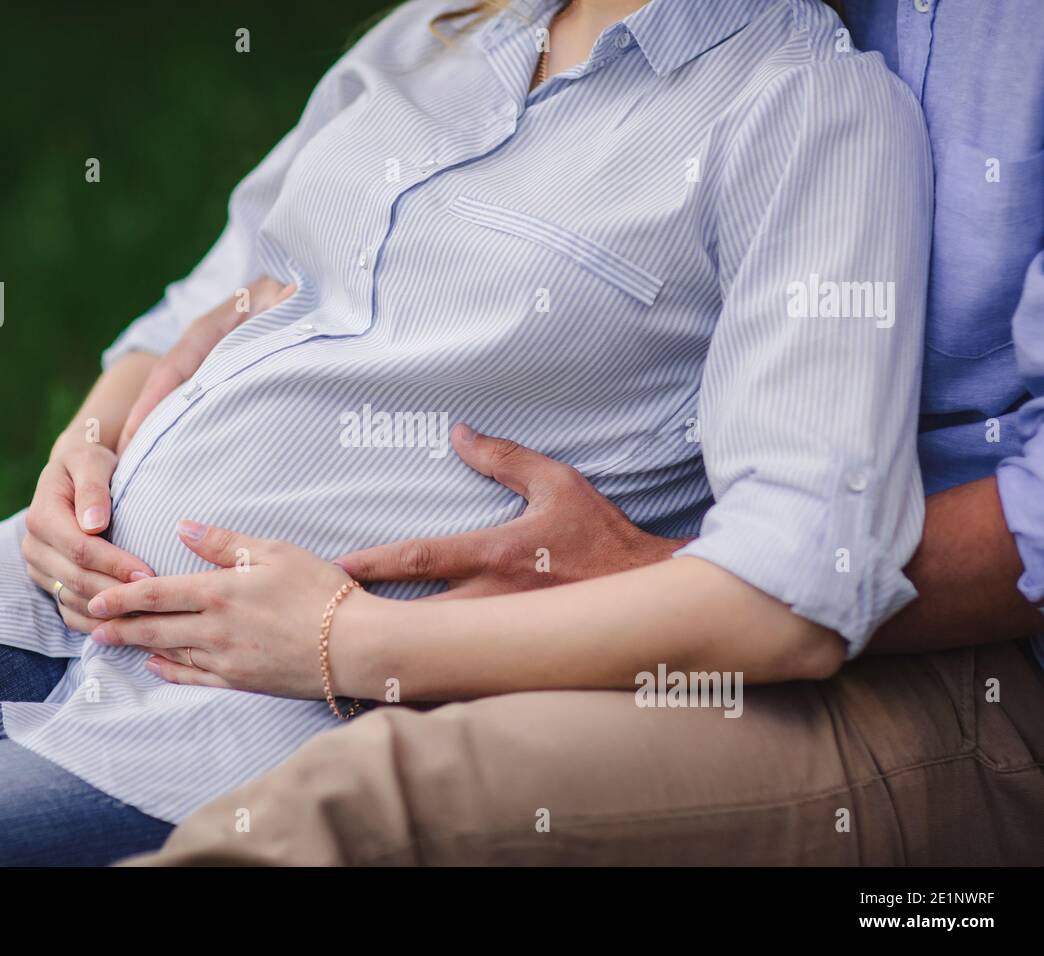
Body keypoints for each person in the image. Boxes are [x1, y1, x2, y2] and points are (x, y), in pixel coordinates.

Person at [0, 0, 935, 864]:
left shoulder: (809, 109)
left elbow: (797, 586)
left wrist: (341, 643)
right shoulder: (433, 32)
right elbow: (202, 295)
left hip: (256, 723)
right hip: (32, 585)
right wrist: (88, 448)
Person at [127, 0, 1044, 866]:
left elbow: (801, 577)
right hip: (153, 614)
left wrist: (674, 578)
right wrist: (99, 445)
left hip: (968, 665)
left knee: (367, 800)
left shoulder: (809, 89)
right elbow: (231, 277)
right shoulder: (487, 33)